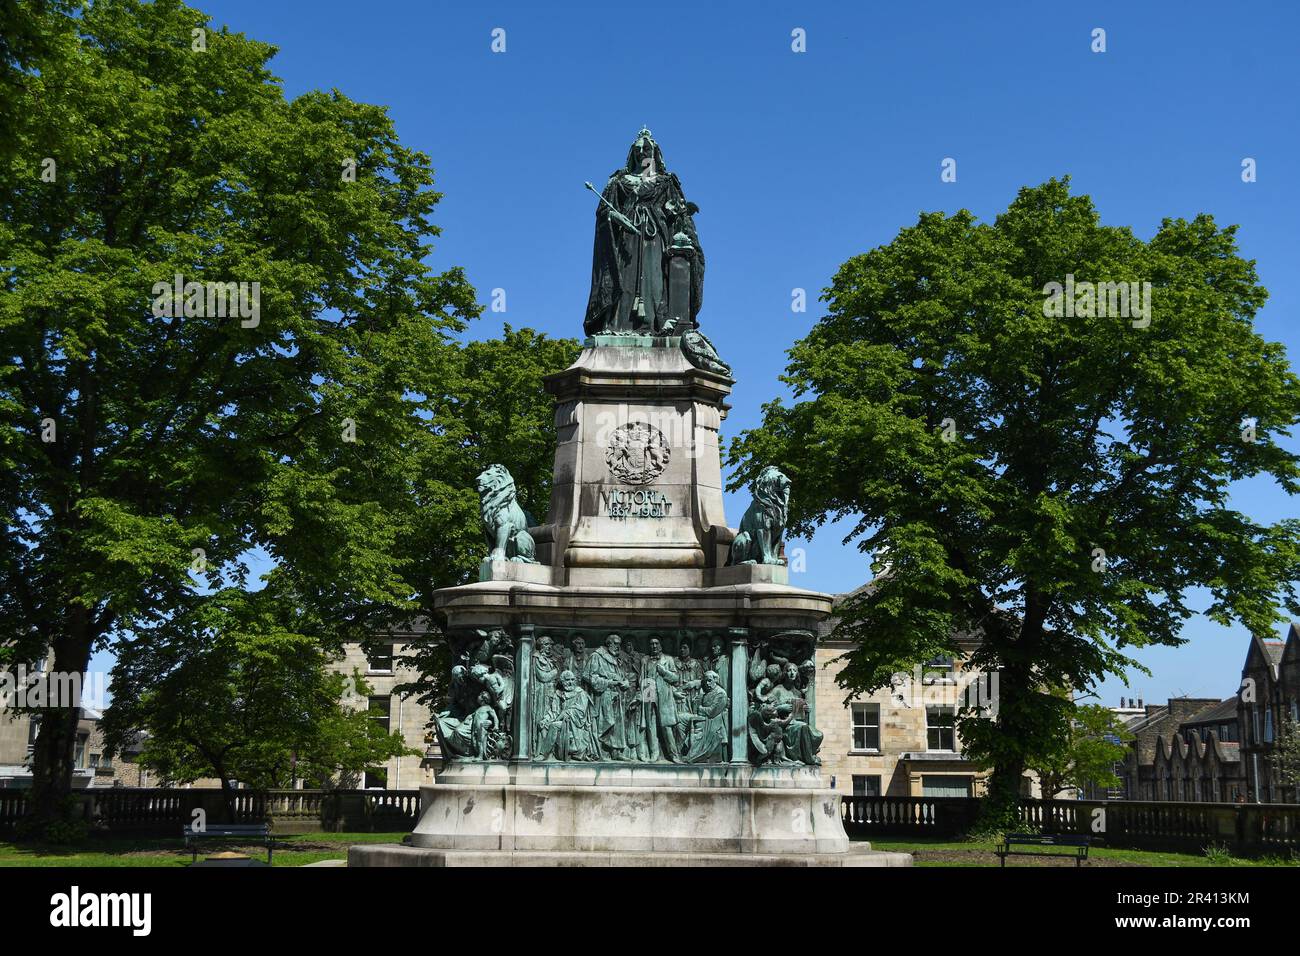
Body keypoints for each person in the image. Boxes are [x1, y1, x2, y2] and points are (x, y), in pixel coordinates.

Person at [586, 634, 631, 760]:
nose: (618, 647)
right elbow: (591, 678)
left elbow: (621, 676)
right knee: (605, 723)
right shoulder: (597, 656)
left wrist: (624, 682)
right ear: (608, 643)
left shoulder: (615, 659)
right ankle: (601, 752)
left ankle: (616, 752)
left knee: (617, 724)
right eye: (616, 644)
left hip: (616, 696)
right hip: (602, 695)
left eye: (619, 644)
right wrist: (610, 683)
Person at [538, 670, 598, 761]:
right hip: (562, 721)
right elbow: (553, 712)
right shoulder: (558, 694)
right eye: (567, 680)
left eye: (572, 679)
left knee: (554, 726)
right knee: (543, 726)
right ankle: (545, 753)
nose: (570, 682)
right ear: (562, 682)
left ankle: (543, 754)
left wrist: (566, 713)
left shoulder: (580, 693)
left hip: (576, 724)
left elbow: (581, 712)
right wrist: (545, 720)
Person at [683, 671, 729, 763]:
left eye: (709, 680)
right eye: (705, 682)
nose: (707, 683)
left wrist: (700, 708)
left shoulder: (721, 693)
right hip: (704, 719)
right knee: (681, 719)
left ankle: (695, 755)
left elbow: (712, 712)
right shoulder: (708, 692)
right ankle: (686, 751)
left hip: (714, 722)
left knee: (698, 732)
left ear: (715, 680)